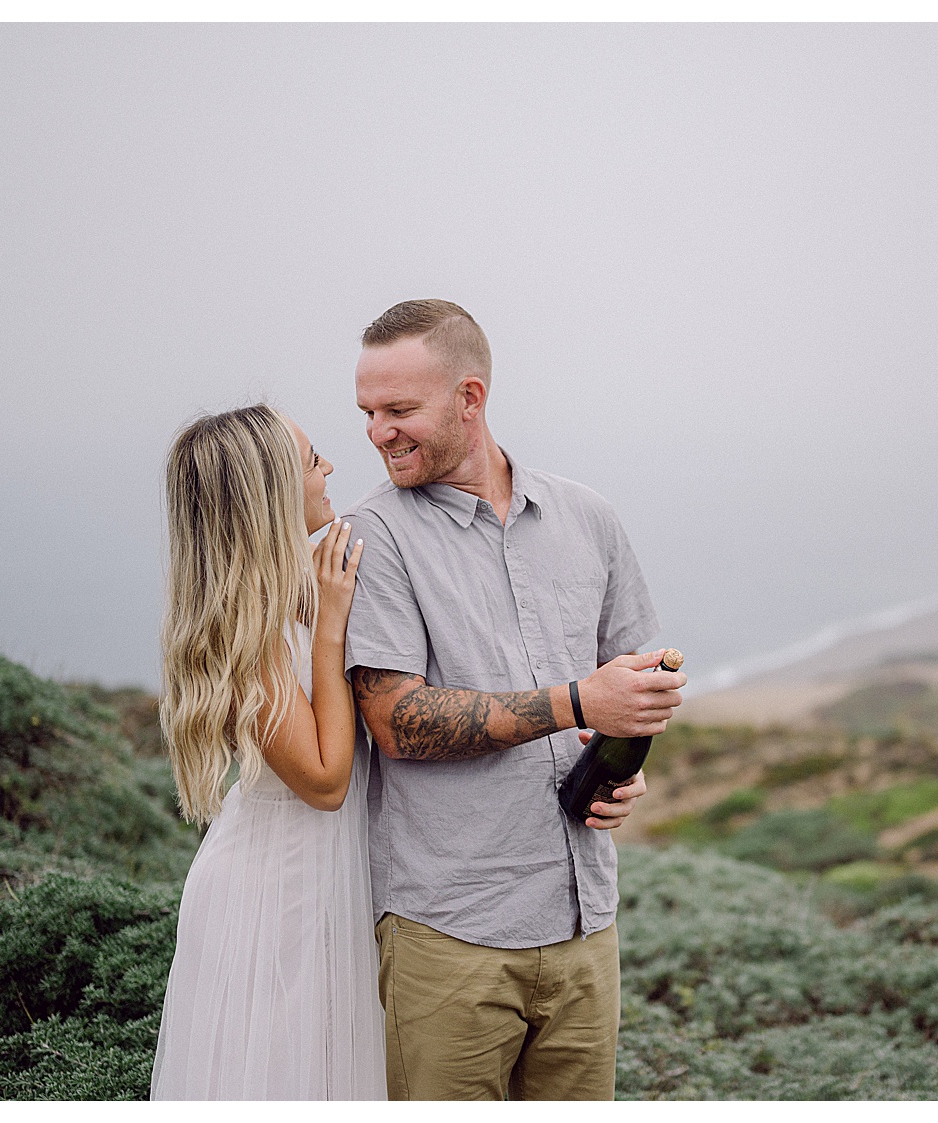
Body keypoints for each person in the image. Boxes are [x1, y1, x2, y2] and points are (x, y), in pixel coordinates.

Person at [343, 299, 686, 1100]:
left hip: (584, 923)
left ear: (470, 397)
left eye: (399, 409)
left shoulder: (587, 516)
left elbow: (642, 676)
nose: (377, 432)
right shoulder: (373, 535)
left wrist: (621, 761)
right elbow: (396, 721)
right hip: (448, 936)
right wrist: (577, 702)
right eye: (366, 412)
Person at [149, 404, 386, 1100]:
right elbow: (322, 779)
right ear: (273, 493)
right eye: (314, 460)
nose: (331, 469)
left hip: (319, 884)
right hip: (273, 900)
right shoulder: (245, 624)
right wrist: (330, 630)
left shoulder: (282, 595)